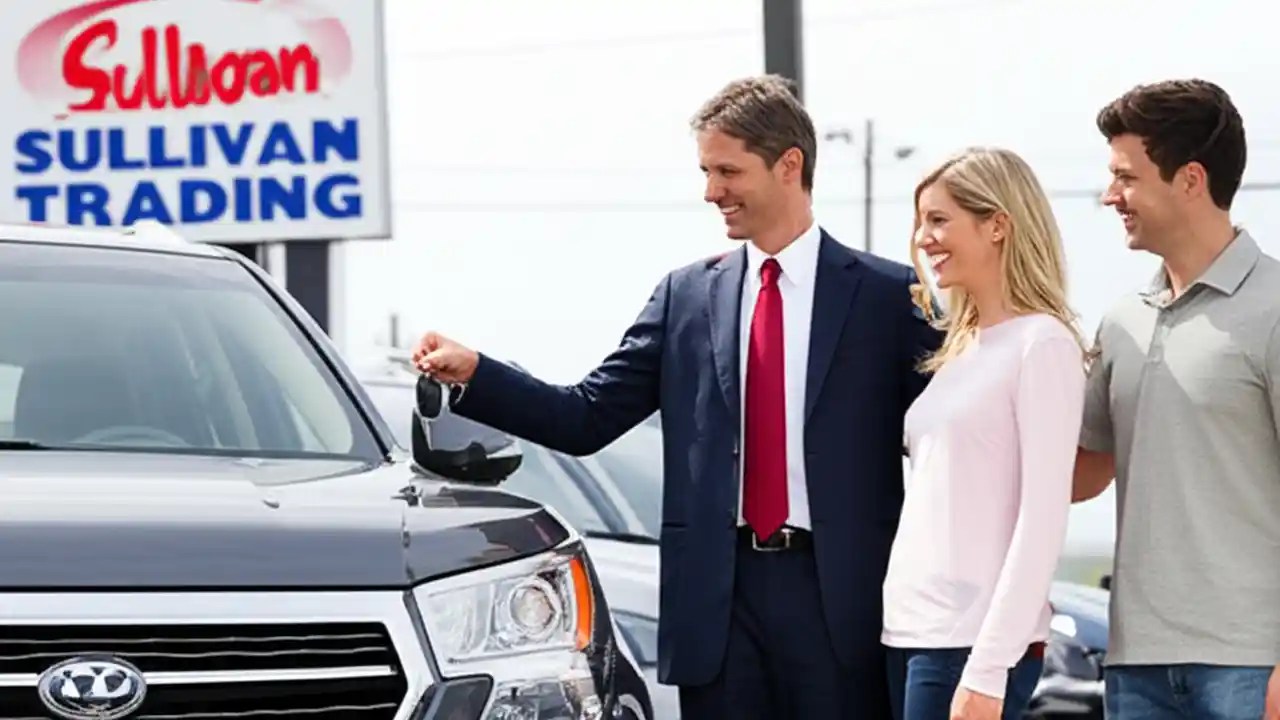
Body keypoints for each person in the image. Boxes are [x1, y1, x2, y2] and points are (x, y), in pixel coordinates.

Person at [413, 74, 942, 718]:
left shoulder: (889, 298)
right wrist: (477, 373)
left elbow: (953, 454)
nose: (710, 191)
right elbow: (586, 417)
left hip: (842, 607)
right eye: (705, 170)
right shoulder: (685, 297)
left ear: (789, 165)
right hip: (718, 610)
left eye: (727, 171)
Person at [1072, 79, 1280, 720]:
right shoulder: (1120, 322)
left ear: (1190, 179)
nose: (1111, 197)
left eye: (1126, 177)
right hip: (1136, 665)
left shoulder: (1274, 305)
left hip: (1252, 664)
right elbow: (1082, 475)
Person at [880, 147, 1088, 720]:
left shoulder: (1041, 344)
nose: (924, 238)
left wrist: (990, 667)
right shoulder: (961, 350)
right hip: (911, 634)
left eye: (939, 219)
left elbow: (1043, 517)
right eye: (921, 222)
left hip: (969, 645)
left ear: (997, 224)